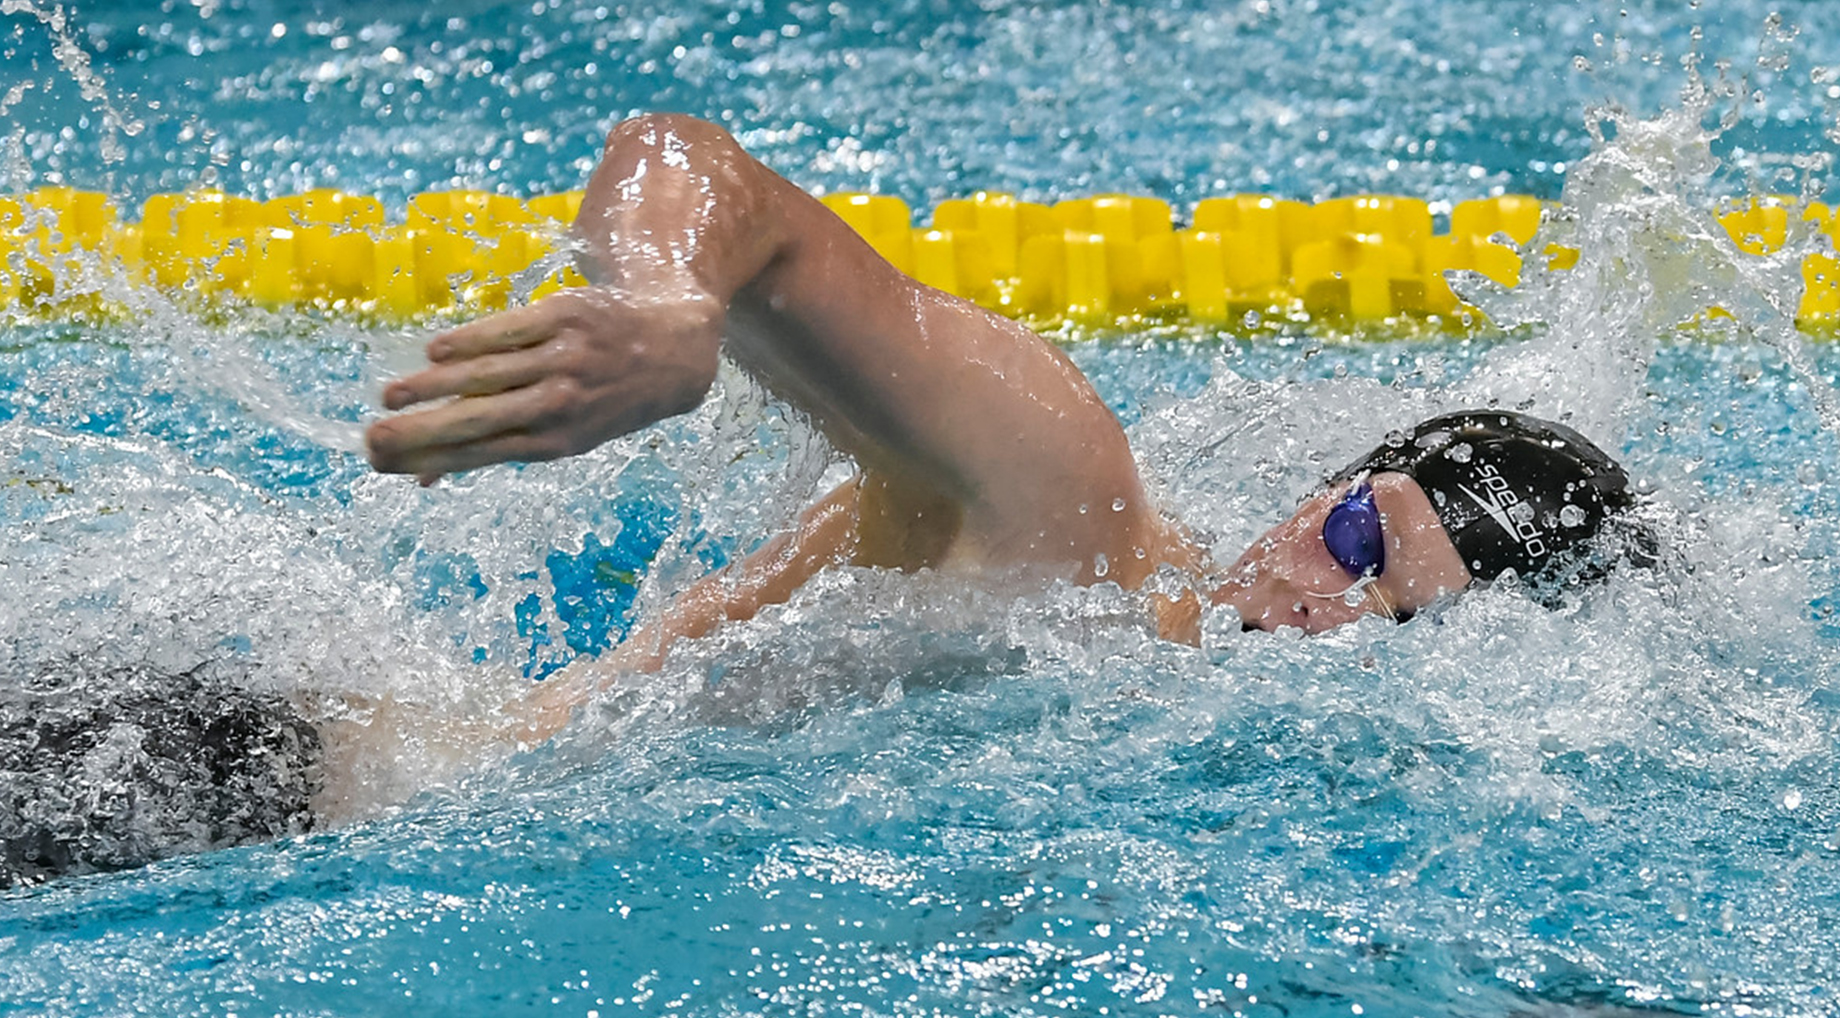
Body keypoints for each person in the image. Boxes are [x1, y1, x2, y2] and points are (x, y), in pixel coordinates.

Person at [364, 113, 1646, 740]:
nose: (1334, 605)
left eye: (1404, 619)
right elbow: (697, 164)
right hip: (329, 787)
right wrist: (664, 305)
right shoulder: (1064, 501)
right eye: (1362, 539)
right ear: (1327, 491)